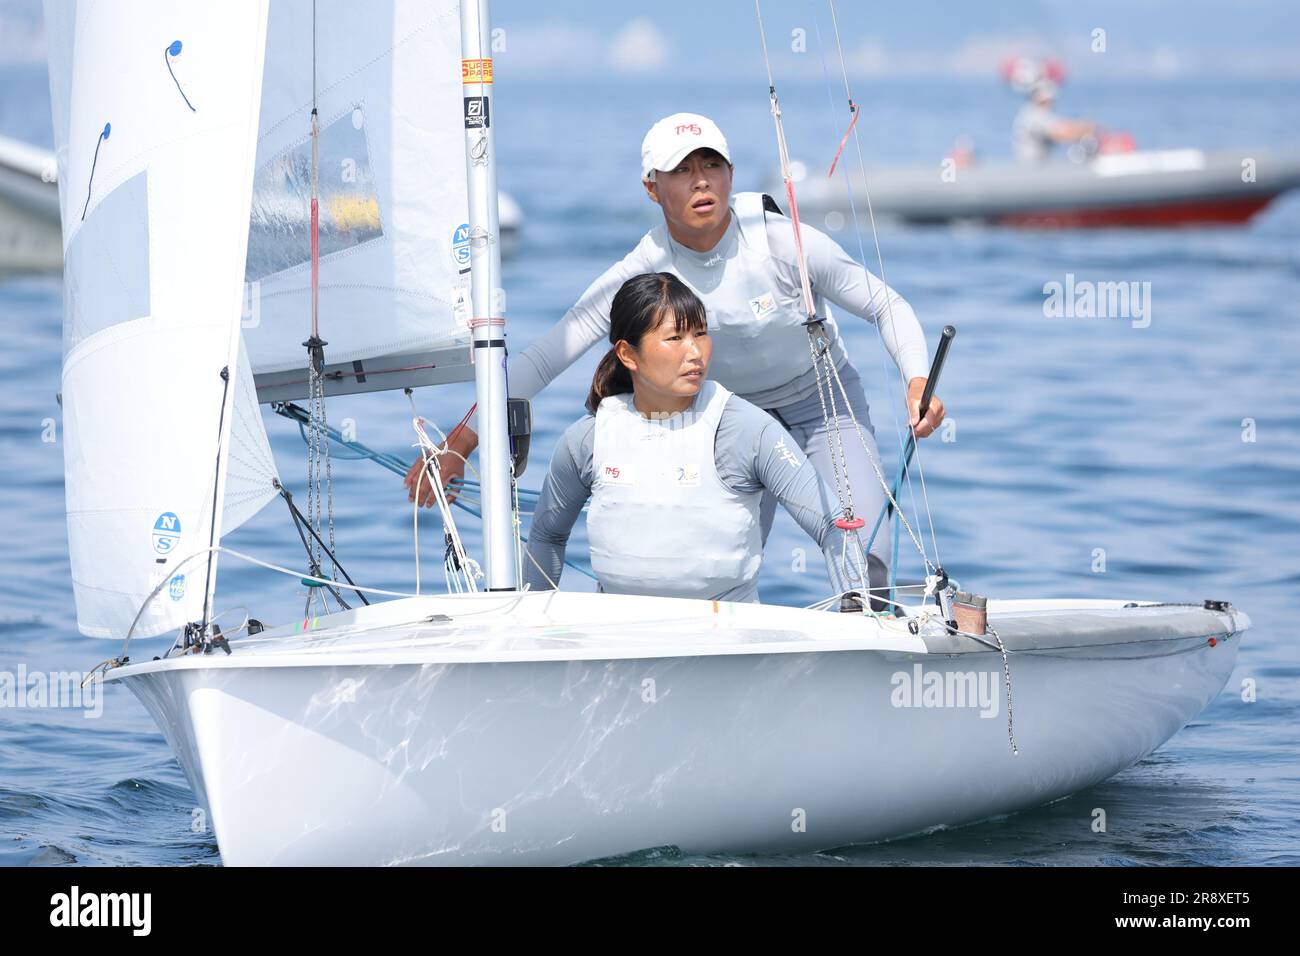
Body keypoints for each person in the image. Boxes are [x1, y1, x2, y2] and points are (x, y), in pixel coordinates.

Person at [407, 112, 945, 605]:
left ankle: (868, 649)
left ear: (731, 174)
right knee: (699, 572)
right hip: (726, 422)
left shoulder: (785, 244)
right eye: (681, 171)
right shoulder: (645, 269)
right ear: (651, 187)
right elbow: (547, 357)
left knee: (861, 550)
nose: (701, 181)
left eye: (712, 165)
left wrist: (916, 380)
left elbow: (886, 305)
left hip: (822, 405)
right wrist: (460, 443)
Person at [523, 272, 857, 604]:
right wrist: (531, 624)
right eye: (675, 338)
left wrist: (857, 607)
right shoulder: (587, 439)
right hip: (618, 639)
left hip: (727, 641)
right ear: (627, 354)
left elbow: (833, 526)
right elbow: (547, 536)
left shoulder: (746, 430)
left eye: (700, 334)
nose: (695, 352)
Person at [1012, 78, 1099, 163]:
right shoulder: (1033, 115)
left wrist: (1087, 127)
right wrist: (1086, 131)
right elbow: (1060, 133)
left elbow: (1064, 125)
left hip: (1040, 165)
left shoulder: (1040, 113)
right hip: (1031, 166)